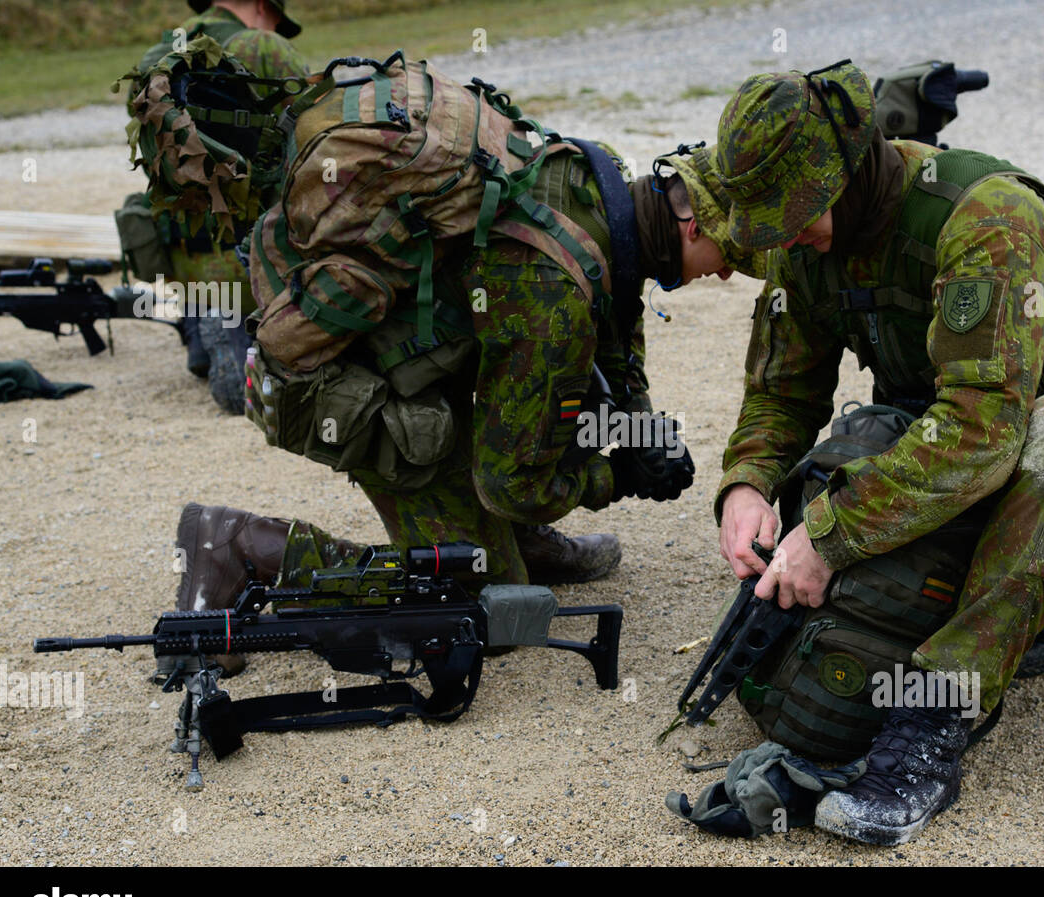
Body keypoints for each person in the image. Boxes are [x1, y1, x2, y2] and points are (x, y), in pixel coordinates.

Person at [710, 61, 1044, 845]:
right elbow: (781, 396)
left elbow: (980, 428)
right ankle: (1018, 609)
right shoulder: (807, 245)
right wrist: (747, 488)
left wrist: (828, 535)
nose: (785, 237)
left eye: (796, 213)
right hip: (953, 448)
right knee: (853, 449)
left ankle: (932, 724)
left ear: (855, 167)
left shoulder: (984, 218)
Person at [173, 140, 743, 677]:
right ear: (691, 226)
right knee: (478, 614)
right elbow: (509, 483)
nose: (724, 273)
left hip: (411, 360)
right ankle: (238, 545)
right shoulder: (552, 296)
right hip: (337, 382)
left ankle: (513, 541)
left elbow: (614, 311)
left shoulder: (603, 187)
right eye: (729, 256)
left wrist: (637, 421)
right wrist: (611, 478)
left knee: (560, 399)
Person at [140, 0, 309, 410]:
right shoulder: (263, 47)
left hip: (182, 254)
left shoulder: (162, 51)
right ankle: (247, 336)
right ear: (259, 5)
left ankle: (203, 325)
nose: (275, 29)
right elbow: (311, 133)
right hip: (251, 257)